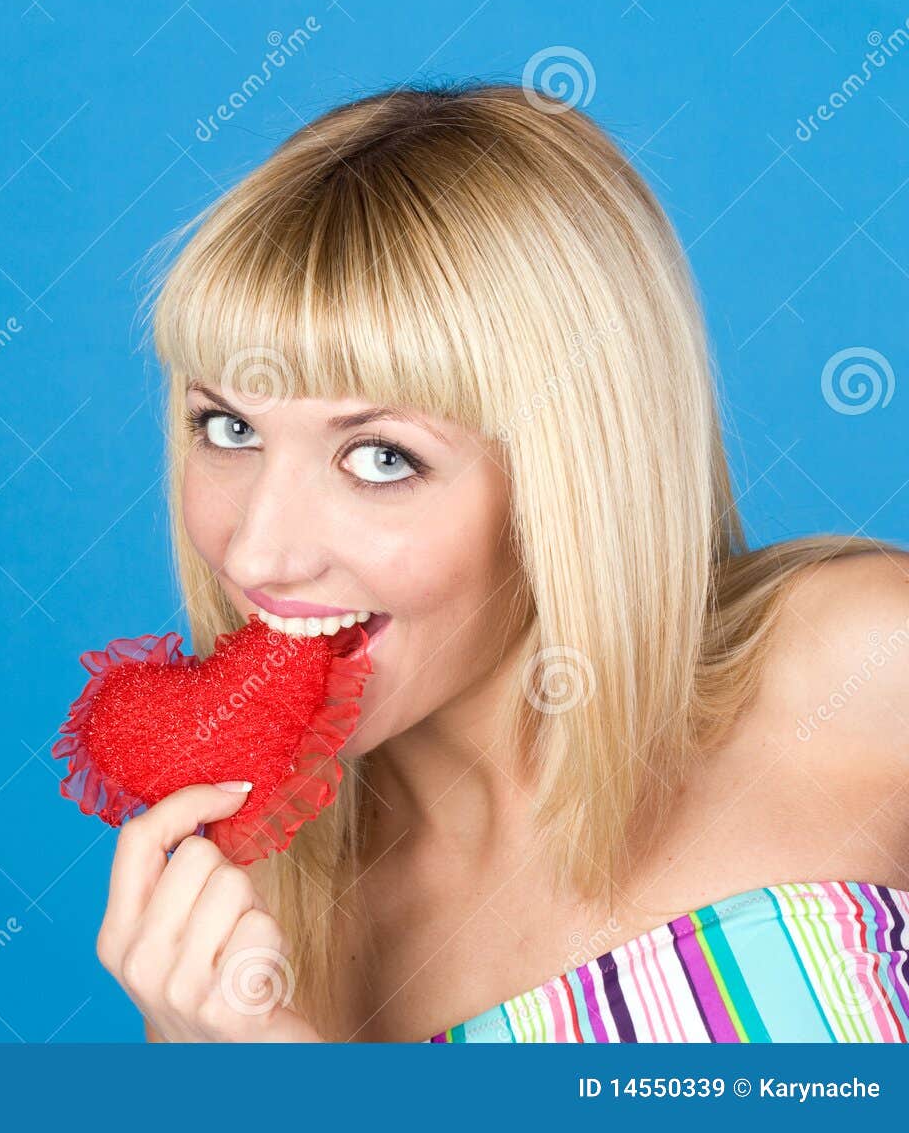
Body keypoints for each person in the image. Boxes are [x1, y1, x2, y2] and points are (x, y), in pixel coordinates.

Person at [94, 81, 909, 1043]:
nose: (259, 550)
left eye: (381, 457)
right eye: (228, 426)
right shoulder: (252, 929)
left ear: (572, 476)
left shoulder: (866, 673)